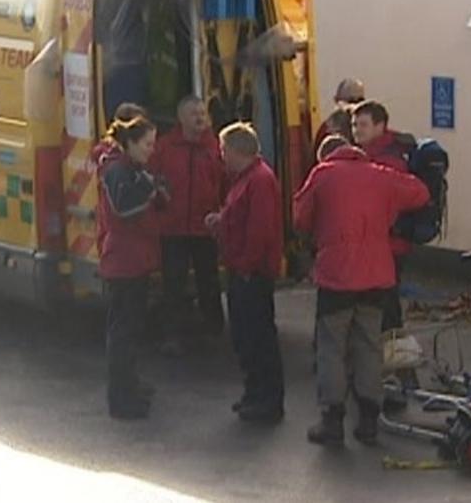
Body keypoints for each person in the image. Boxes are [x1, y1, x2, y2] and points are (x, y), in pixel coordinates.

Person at [294, 136, 428, 446]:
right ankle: (368, 417)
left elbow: (300, 218)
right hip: (377, 275)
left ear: (327, 155)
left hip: (337, 275)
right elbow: (420, 192)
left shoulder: (323, 174)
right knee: (369, 344)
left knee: (332, 346)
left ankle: (332, 418)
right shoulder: (380, 174)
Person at [205, 122, 285, 423]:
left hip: (251, 272)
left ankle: (267, 399)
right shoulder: (246, 179)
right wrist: (220, 222)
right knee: (245, 337)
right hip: (242, 267)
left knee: (258, 337)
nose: (220, 155)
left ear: (238, 151)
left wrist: (248, 267)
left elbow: (259, 230)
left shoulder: (259, 181)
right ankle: (255, 393)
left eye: (223, 150)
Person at [96, 115, 165, 420]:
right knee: (122, 333)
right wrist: (150, 190)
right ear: (131, 143)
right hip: (123, 260)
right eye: (148, 144)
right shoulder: (116, 170)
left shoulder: (131, 168)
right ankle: (120, 399)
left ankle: (130, 387)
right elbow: (123, 207)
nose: (152, 150)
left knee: (131, 330)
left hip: (135, 258)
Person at [151, 95, 226, 354]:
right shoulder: (164, 147)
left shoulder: (214, 147)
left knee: (209, 282)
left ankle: (214, 331)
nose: (200, 119)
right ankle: (172, 334)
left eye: (203, 114)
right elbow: (152, 180)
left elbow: (224, 182)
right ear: (181, 118)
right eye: (194, 114)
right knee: (173, 284)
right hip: (173, 227)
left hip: (204, 227)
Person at [351, 100, 415, 331]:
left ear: (380, 126)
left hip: (389, 242)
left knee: (386, 304)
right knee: (383, 301)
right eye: (355, 124)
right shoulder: (372, 155)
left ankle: (396, 355)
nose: (357, 130)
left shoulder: (388, 161)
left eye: (363, 125)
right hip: (384, 241)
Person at [314, 78, 365, 150]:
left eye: (359, 100)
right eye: (351, 101)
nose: (354, 106)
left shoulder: (326, 126)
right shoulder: (328, 128)